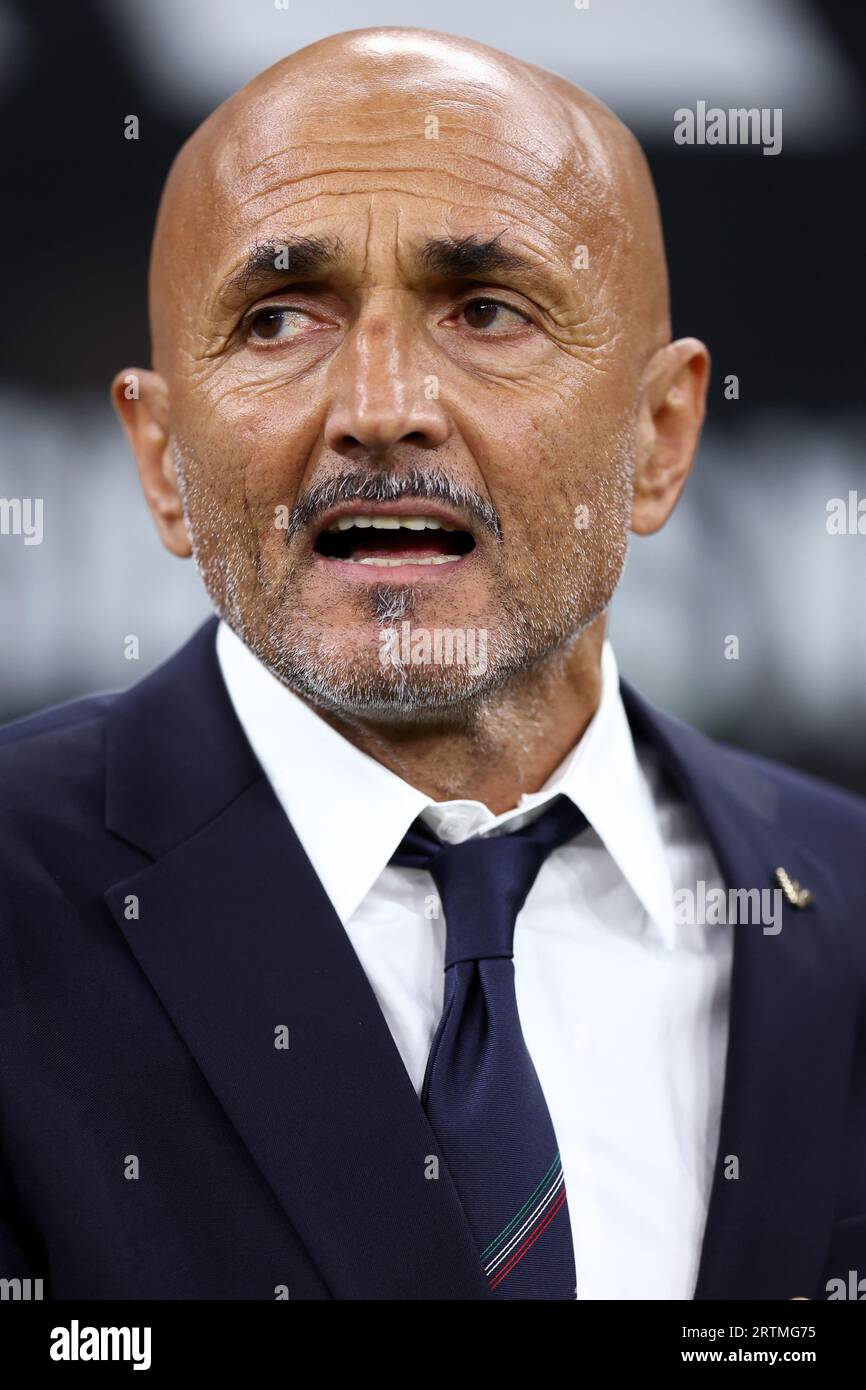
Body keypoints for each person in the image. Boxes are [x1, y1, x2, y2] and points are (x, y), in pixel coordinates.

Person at [1, 27, 864, 1302]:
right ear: (159, 459)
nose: (380, 401)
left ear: (658, 434)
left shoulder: (842, 910)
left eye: (484, 309)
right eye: (279, 316)